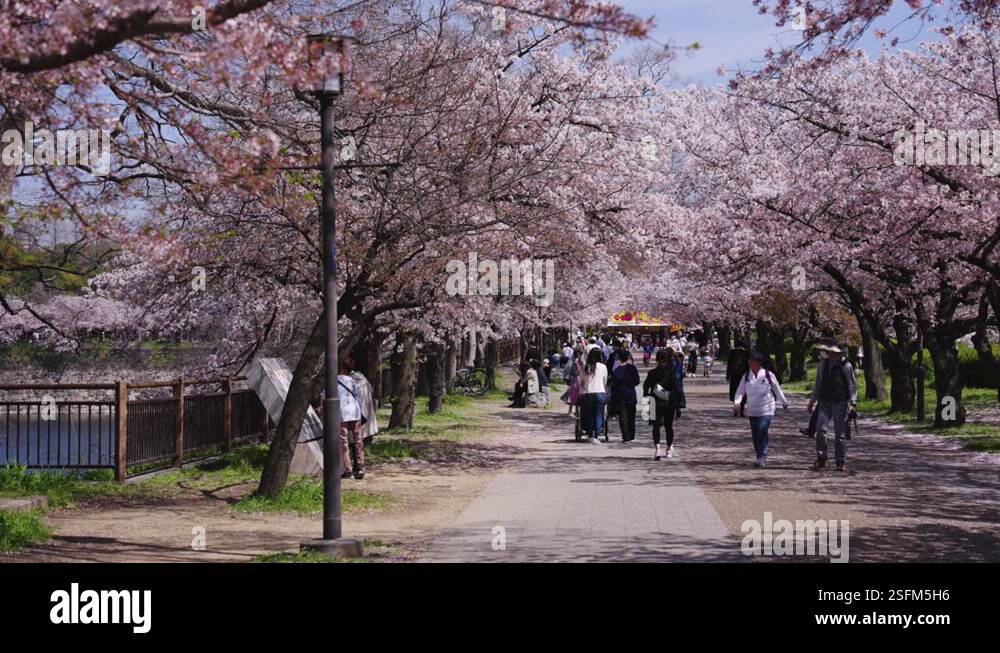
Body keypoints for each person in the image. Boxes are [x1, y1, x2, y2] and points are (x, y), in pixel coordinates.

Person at [733, 351, 790, 468]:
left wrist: (784, 402)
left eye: (753, 361)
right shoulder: (746, 376)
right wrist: (737, 403)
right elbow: (740, 391)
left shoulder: (768, 375)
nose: (750, 363)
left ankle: (762, 456)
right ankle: (759, 454)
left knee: (762, 429)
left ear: (759, 363)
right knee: (755, 434)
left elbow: (777, 389)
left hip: (767, 408)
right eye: (749, 361)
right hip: (752, 410)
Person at [808, 341, 858, 472]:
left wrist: (853, 402)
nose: (829, 354)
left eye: (832, 352)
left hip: (840, 401)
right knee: (820, 429)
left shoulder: (846, 366)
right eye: (828, 351)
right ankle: (822, 457)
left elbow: (852, 385)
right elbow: (818, 383)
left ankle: (840, 461)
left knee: (839, 433)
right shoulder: (822, 365)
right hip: (824, 400)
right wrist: (812, 401)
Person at [643, 349, 679, 460]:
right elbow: (676, 389)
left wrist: (647, 400)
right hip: (669, 402)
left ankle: (657, 448)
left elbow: (645, 387)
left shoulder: (652, 373)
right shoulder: (672, 373)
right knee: (669, 427)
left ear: (657, 360)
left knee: (656, 426)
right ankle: (668, 449)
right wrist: (678, 406)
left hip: (654, 401)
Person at [337, 359, 367, 480]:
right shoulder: (352, 381)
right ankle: (360, 466)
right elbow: (358, 398)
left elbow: (324, 396)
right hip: (355, 412)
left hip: (341, 413)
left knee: (343, 442)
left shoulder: (332, 381)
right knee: (358, 440)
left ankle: (348, 470)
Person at [578, 348, 608, 444]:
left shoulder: (585, 367)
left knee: (589, 415)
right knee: (599, 415)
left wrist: (580, 393)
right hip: (600, 393)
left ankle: (590, 435)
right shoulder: (603, 367)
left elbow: (581, 382)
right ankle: (597, 436)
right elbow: (605, 381)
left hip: (588, 393)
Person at [611, 350, 640, 442]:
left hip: (621, 395)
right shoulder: (632, 368)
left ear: (619, 358)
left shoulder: (616, 371)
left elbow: (614, 386)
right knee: (631, 416)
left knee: (623, 417)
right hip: (631, 394)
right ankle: (632, 436)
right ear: (628, 357)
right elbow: (637, 381)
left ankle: (625, 437)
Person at [349, 361, 379, 447]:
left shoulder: (351, 380)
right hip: (364, 411)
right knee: (361, 434)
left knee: (356, 436)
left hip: (356, 412)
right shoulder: (362, 379)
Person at [726, 342, 750, 414]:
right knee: (743, 391)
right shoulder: (747, 353)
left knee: (735, 390)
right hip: (744, 375)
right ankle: (742, 408)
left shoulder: (732, 352)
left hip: (734, 375)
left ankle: (736, 406)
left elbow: (729, 364)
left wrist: (728, 375)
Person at [672, 348, 687, 419]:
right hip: (678, 385)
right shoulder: (679, 364)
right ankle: (678, 408)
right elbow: (681, 374)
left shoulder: (673, 364)